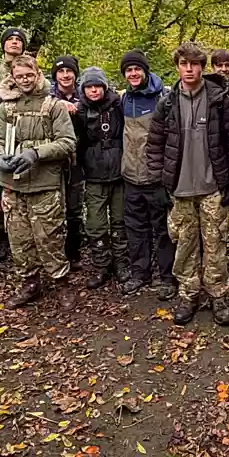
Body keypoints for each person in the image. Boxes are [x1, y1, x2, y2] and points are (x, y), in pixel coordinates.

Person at [146, 42, 229, 326]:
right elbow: (154, 145)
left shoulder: (218, 100)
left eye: (194, 64)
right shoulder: (167, 103)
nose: (189, 69)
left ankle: (217, 294)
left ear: (202, 67)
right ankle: (188, 294)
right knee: (185, 245)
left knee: (216, 244)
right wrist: (158, 182)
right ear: (177, 67)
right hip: (179, 189)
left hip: (213, 187)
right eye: (183, 64)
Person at [0, 55, 77, 309]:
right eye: (19, 76)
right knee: (19, 239)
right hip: (12, 185)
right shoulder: (7, 107)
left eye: (29, 75)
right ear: (12, 78)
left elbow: (68, 142)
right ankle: (30, 283)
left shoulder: (53, 106)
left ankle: (62, 283)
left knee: (50, 237)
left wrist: (36, 153)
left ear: (37, 74)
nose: (24, 80)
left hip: (45, 184)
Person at [119, 49, 176, 300]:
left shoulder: (163, 98)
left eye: (137, 69)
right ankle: (139, 274)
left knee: (163, 230)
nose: (133, 73)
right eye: (128, 70)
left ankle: (167, 278)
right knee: (135, 230)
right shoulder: (123, 99)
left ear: (145, 71)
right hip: (131, 176)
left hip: (156, 177)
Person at [74, 67, 129, 289]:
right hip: (93, 174)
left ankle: (122, 263)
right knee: (95, 224)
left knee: (120, 220)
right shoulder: (79, 111)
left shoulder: (118, 105)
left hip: (119, 173)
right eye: (89, 87)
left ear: (105, 87)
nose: (93, 90)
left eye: (97, 86)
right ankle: (101, 265)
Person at [0, 27, 28, 261]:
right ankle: (0, 235)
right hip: (0, 129)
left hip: (25, 129)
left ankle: (23, 237)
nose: (13, 43)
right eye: (10, 40)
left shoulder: (28, 66)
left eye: (18, 40)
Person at [50, 55, 85, 268]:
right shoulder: (47, 96)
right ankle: (55, 253)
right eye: (61, 72)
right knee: (54, 209)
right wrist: (58, 105)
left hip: (78, 161)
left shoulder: (86, 94)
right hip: (53, 162)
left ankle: (73, 252)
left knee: (74, 208)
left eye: (69, 71)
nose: (65, 75)